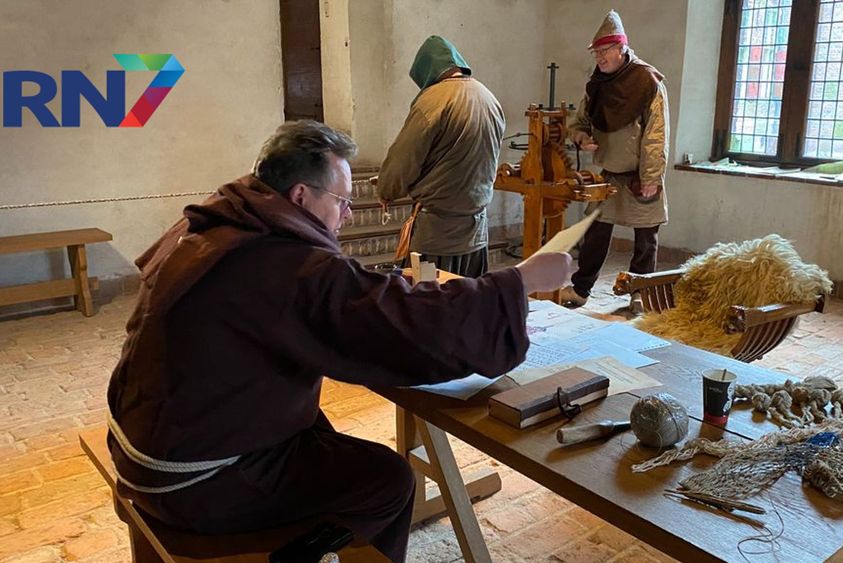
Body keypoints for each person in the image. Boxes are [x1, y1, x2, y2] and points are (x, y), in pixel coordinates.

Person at [105, 120, 571, 562]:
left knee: (319, 430)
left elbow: (349, 299)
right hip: (194, 480)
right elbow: (397, 321)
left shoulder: (219, 220)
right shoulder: (281, 261)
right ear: (301, 194)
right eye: (342, 200)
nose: (347, 214)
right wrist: (517, 283)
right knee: (387, 480)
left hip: (146, 439)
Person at [559, 10, 669, 314]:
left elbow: (656, 135)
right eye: (596, 52)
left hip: (639, 174)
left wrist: (650, 177)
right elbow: (578, 122)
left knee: (646, 237)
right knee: (596, 230)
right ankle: (581, 289)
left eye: (605, 51)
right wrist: (581, 137)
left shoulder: (648, 82)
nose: (600, 57)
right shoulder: (597, 84)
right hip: (608, 174)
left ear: (622, 48)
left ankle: (640, 294)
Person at [377, 35, 505, 277]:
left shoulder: (432, 101)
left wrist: (387, 189)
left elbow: (405, 158)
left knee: (428, 303)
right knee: (469, 299)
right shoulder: (489, 98)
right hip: (475, 229)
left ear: (427, 71)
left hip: (436, 233)